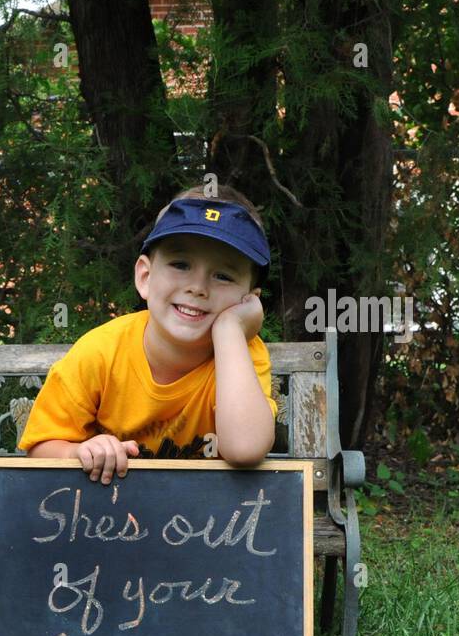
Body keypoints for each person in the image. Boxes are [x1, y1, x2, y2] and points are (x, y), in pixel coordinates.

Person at [18, 185, 278, 479]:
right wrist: (77, 452)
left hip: (203, 521)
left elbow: (245, 448)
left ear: (249, 300)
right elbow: (39, 449)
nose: (198, 288)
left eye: (223, 276)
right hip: (104, 518)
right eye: (181, 264)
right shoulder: (102, 351)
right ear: (145, 276)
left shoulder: (242, 354)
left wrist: (230, 331)